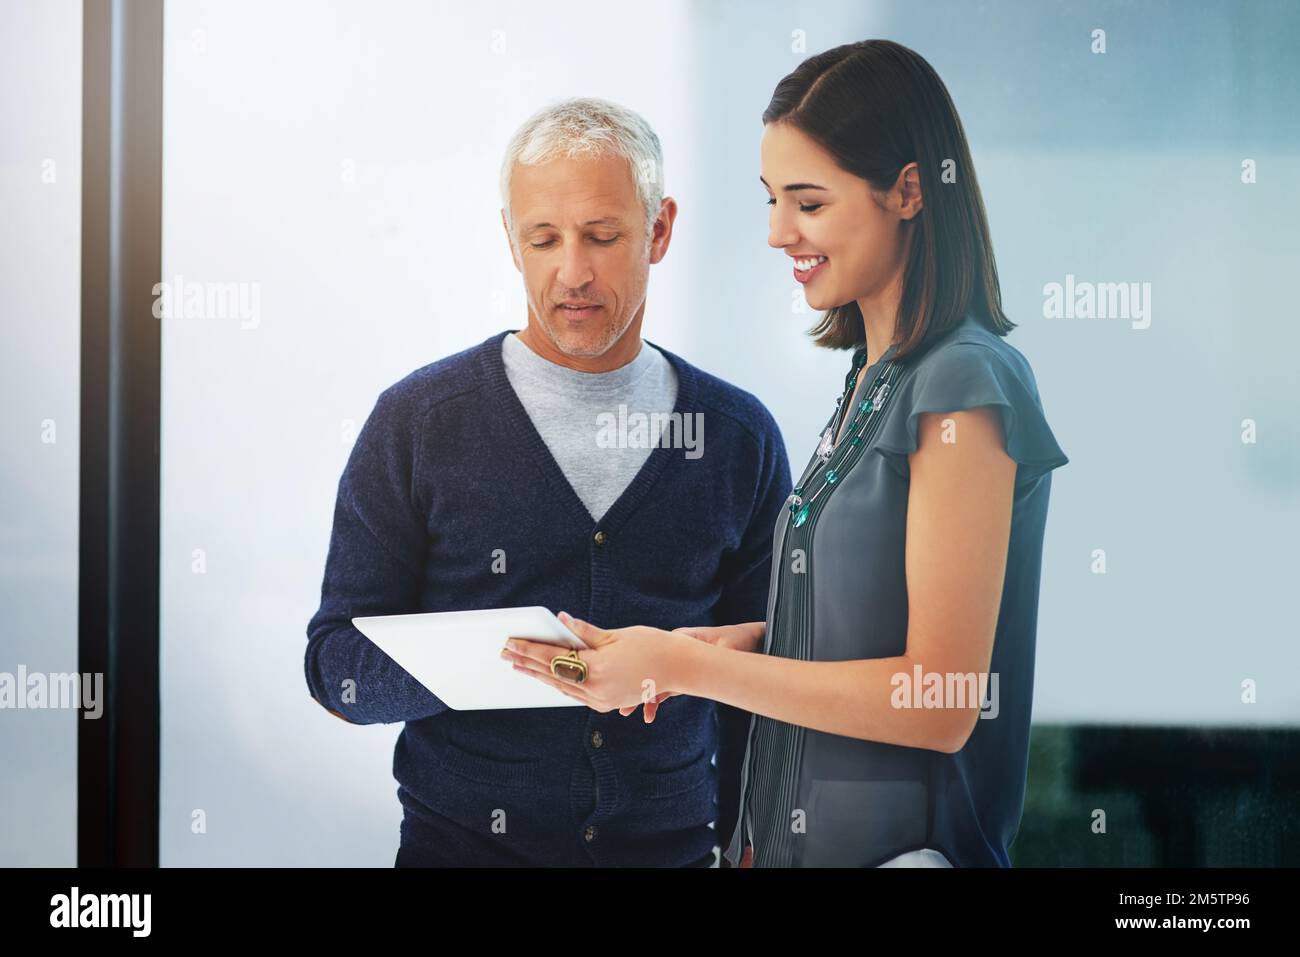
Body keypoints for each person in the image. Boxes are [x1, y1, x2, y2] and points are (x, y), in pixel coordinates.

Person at [502, 40, 1069, 868]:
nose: (777, 233)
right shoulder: (874, 378)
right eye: (772, 200)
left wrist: (688, 671)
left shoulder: (963, 383)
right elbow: (870, 632)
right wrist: (717, 648)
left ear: (909, 191)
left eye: (807, 202)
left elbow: (940, 700)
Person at [304, 97, 791, 867]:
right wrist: (490, 655)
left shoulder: (737, 436)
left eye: (603, 235)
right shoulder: (419, 422)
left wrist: (751, 841)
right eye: (543, 238)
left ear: (659, 230)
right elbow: (335, 670)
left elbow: (768, 675)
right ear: (510, 238)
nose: (573, 271)